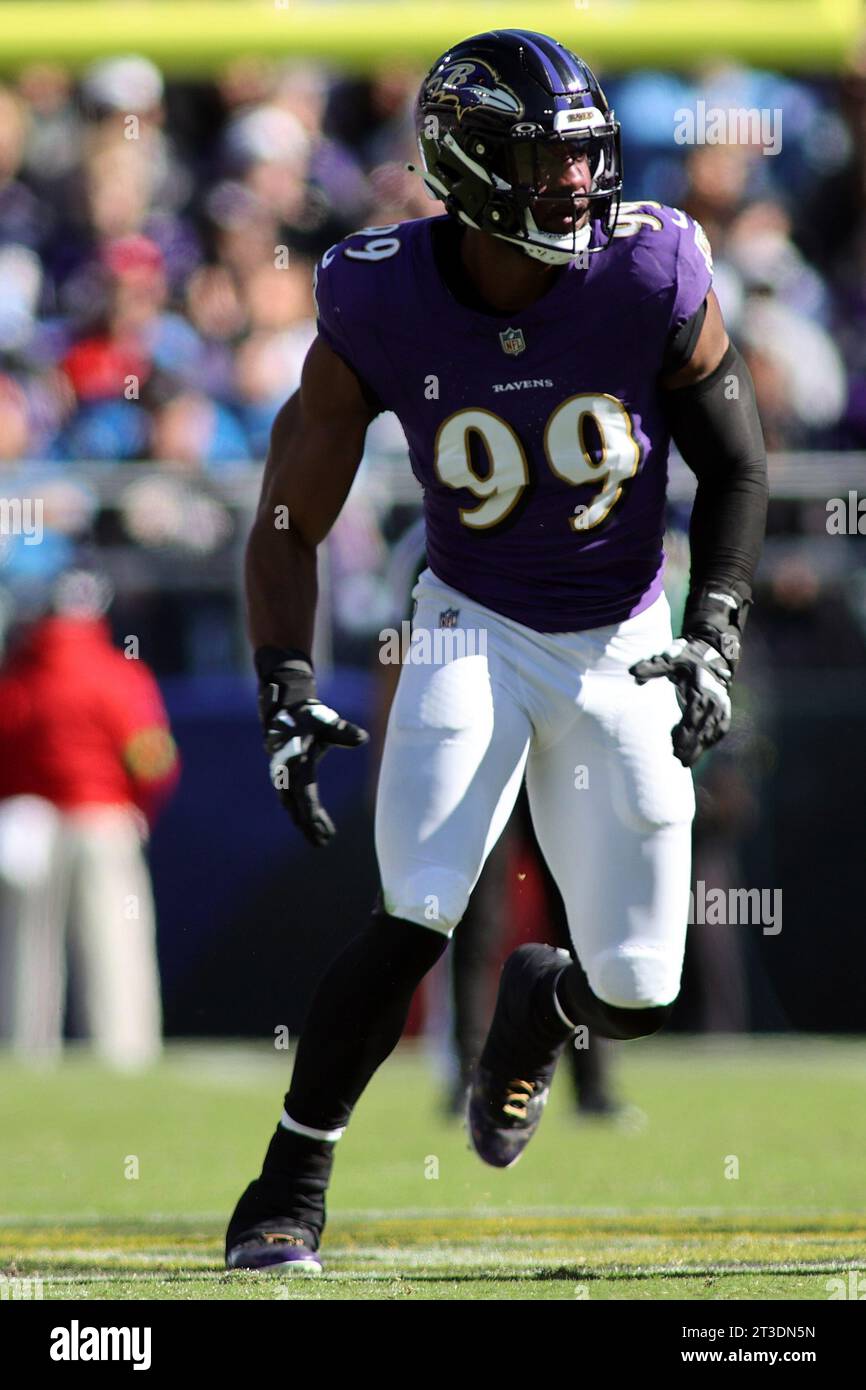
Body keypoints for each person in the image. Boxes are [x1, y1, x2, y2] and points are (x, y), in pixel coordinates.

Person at [225, 29, 768, 1272]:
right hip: (467, 622)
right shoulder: (380, 295)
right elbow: (286, 514)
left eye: (583, 159)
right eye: (542, 160)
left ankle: (540, 1008)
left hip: (625, 630)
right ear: (465, 165)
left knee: (636, 986)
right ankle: (286, 1186)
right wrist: (284, 681)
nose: (575, 187)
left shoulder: (651, 270)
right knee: (416, 903)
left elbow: (736, 460)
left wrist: (714, 627)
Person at [0, 569, 179, 1067]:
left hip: (28, 827)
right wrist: (140, 808)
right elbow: (153, 756)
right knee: (116, 947)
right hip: (104, 821)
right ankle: (125, 1052)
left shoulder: (17, 676)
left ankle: (23, 1052)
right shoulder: (118, 674)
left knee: (24, 951)